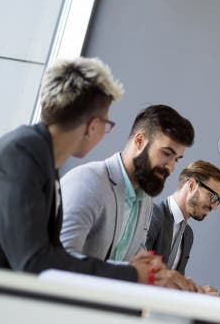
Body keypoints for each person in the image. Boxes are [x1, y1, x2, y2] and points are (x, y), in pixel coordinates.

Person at [0, 58, 164, 324]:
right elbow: (35, 263)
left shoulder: (39, 158)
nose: (104, 131)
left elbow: (49, 257)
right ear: (92, 126)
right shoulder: (21, 156)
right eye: (107, 123)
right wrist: (130, 274)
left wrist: (130, 273)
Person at [60, 104, 197, 291]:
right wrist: (133, 273)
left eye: (176, 159)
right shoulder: (88, 183)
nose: (171, 168)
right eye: (166, 153)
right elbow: (60, 263)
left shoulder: (145, 201)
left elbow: (135, 262)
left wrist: (166, 278)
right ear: (139, 141)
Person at [145, 160, 220, 295]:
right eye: (212, 196)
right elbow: (139, 274)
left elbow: (176, 286)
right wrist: (198, 292)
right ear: (191, 185)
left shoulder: (187, 235)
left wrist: (200, 294)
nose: (214, 206)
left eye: (217, 200)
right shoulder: (151, 216)